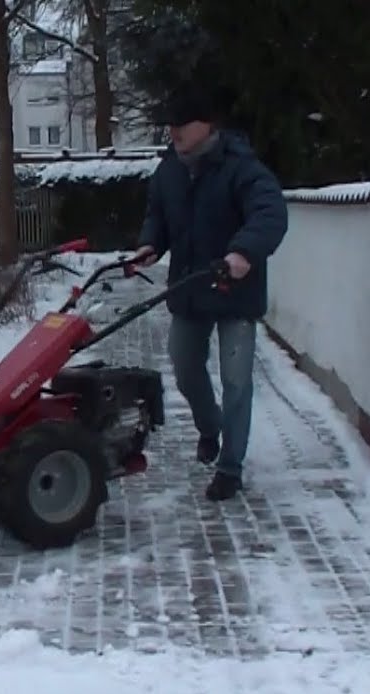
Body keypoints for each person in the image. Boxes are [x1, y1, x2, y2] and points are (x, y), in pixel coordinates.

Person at [132, 85, 289, 501]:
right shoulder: (169, 169)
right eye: (170, 124)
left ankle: (230, 468)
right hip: (190, 290)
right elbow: (159, 216)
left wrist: (243, 252)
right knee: (185, 368)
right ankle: (209, 428)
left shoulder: (242, 168)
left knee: (237, 381)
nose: (173, 131)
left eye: (182, 124)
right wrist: (151, 243)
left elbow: (270, 213)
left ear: (208, 126)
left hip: (233, 290)